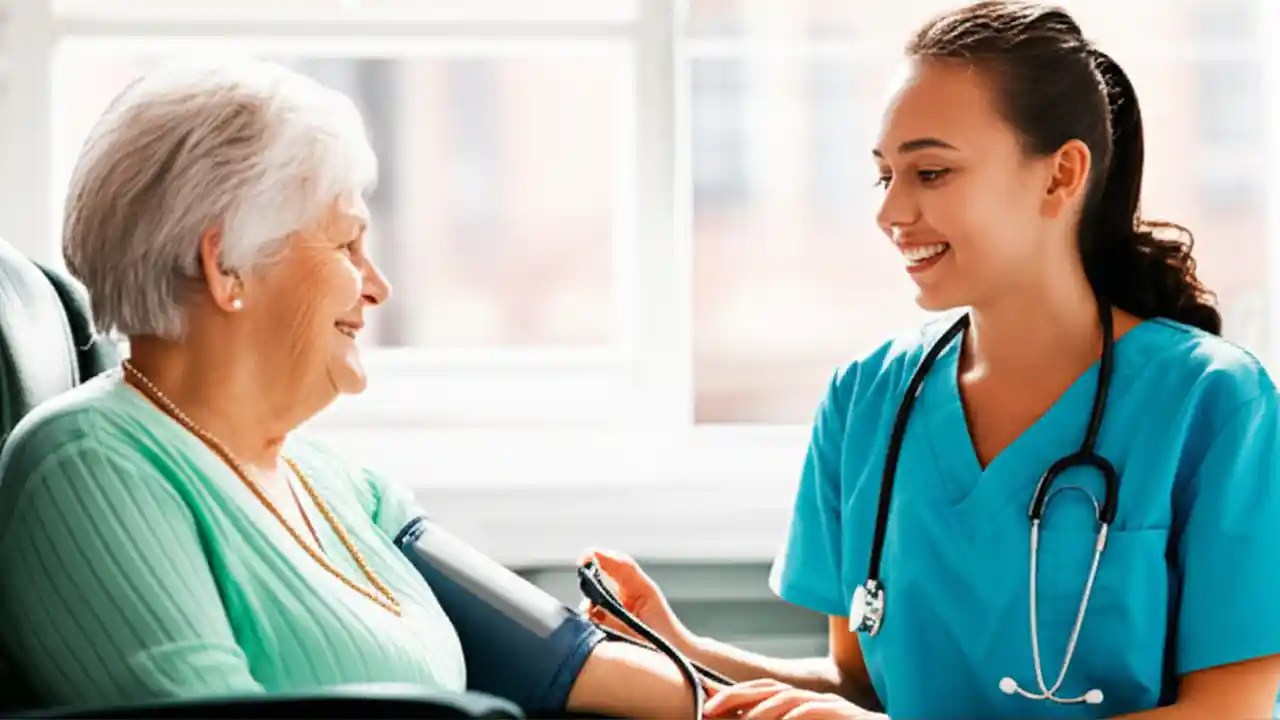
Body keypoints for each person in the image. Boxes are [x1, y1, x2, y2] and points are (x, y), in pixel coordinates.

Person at [584, 1, 1280, 717]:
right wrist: (678, 644)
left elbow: (1232, 710)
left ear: (1060, 175)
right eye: (884, 175)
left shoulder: (1214, 402)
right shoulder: (866, 398)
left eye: (932, 172)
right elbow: (858, 690)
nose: (890, 211)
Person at [0, 60, 702, 717]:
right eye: (345, 245)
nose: (377, 286)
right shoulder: (89, 467)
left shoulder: (340, 487)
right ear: (226, 266)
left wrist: (756, 697)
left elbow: (565, 662)